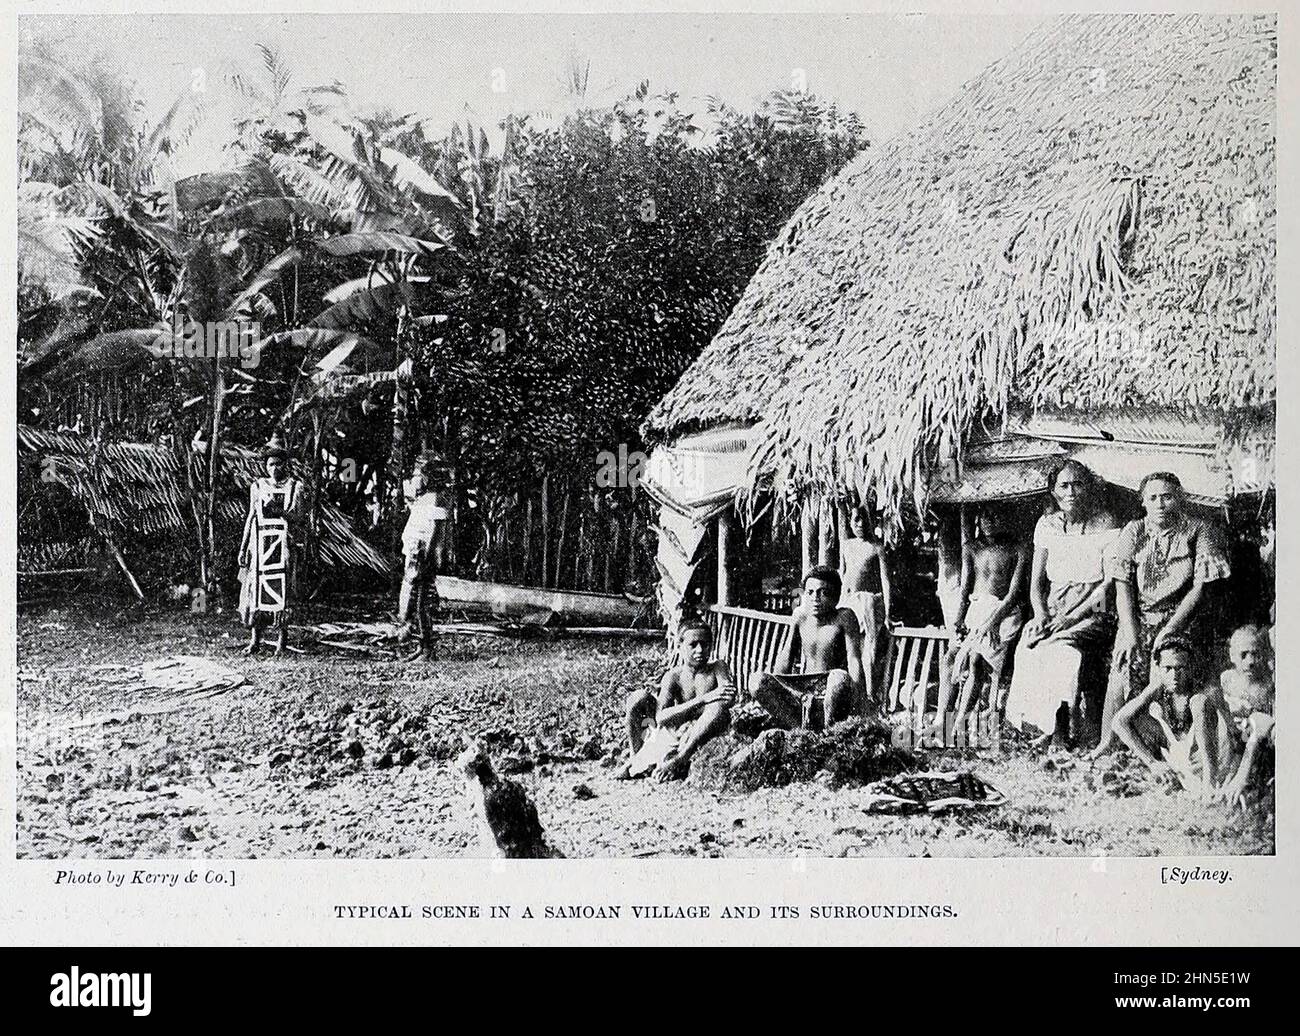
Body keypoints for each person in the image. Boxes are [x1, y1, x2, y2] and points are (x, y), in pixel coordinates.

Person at [1091, 472, 1231, 758]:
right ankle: (1107, 740)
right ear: (1143, 502)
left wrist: (1169, 630)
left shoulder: (1198, 530)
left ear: (1179, 498)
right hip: (1140, 615)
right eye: (1153, 498)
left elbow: (1200, 589)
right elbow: (1122, 584)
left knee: (1166, 671)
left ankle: (1162, 742)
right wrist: (1129, 631)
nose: (1160, 504)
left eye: (1167, 497)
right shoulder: (1134, 531)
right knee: (1121, 663)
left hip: (1183, 617)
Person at [1004, 461, 1122, 748]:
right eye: (1064, 486)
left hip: (1094, 611)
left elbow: (1108, 585)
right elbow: (1035, 584)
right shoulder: (1046, 525)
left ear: (1088, 486)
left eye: (1078, 484)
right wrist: (1041, 615)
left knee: (1059, 651)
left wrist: (1070, 619)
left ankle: (1061, 733)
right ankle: (1048, 724)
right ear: (1053, 490)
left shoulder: (1106, 523)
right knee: (1029, 644)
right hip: (1054, 608)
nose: (1071, 492)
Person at [938, 507, 1028, 731]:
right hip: (976, 611)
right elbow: (966, 588)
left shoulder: (1018, 548)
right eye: (985, 514)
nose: (989, 519)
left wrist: (992, 622)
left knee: (977, 659)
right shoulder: (971, 548)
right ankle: (942, 721)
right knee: (950, 657)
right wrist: (958, 620)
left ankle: (959, 724)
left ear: (1006, 517)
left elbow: (1014, 593)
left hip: (1004, 613)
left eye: (996, 513)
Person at [747, 566, 867, 730]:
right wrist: (776, 683)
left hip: (832, 689)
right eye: (810, 592)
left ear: (836, 597)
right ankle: (800, 731)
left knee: (839, 678)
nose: (815, 598)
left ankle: (829, 733)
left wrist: (858, 699)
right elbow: (787, 654)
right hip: (802, 688)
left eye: (823, 592)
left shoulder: (844, 617)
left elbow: (854, 659)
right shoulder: (800, 615)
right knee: (757, 680)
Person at [619, 620, 736, 782]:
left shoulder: (717, 667)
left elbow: (727, 699)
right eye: (693, 645)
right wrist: (703, 700)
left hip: (705, 727)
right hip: (676, 729)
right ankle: (635, 757)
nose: (700, 650)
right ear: (680, 646)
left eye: (705, 644)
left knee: (717, 708)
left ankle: (680, 759)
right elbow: (661, 717)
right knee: (637, 697)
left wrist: (695, 709)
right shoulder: (674, 676)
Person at [238, 432, 307, 656]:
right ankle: (255, 640)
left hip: (282, 545)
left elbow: (299, 518)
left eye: (278, 464)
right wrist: (243, 547)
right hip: (260, 545)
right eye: (270, 464)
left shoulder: (295, 487)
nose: (274, 468)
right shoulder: (257, 486)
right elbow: (251, 517)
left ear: (285, 464)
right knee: (257, 589)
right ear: (265, 465)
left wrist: (280, 512)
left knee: (282, 592)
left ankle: (280, 642)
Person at [1198, 625, 1274, 803]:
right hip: (1229, 737)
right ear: (1232, 656)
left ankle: (1240, 782)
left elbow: (1263, 725)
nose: (1250, 661)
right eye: (1244, 654)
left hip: (1252, 741)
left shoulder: (1267, 685)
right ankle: (1213, 780)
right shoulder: (1227, 678)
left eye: (1256, 654)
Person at [1110, 639, 1201, 785]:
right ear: (1158, 668)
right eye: (1168, 668)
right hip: (1170, 754)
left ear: (1190, 667)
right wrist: (1152, 762)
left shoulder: (1199, 692)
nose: (1174, 675)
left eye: (1180, 668)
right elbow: (1118, 721)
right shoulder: (1157, 689)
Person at [839, 506, 893, 703]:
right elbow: (843, 574)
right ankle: (853, 692)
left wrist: (888, 611)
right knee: (849, 647)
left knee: (868, 648)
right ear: (850, 521)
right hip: (848, 600)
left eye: (864, 520)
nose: (860, 524)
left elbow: (885, 580)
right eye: (855, 519)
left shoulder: (876, 547)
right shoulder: (846, 545)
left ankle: (870, 694)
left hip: (868, 602)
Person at [397, 458, 448, 661]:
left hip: (421, 554)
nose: (414, 480)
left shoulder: (436, 498)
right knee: (414, 603)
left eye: (418, 476)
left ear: (427, 477)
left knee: (419, 603)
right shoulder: (423, 499)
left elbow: (436, 531)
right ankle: (422, 646)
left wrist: (427, 556)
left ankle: (427, 649)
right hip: (414, 552)